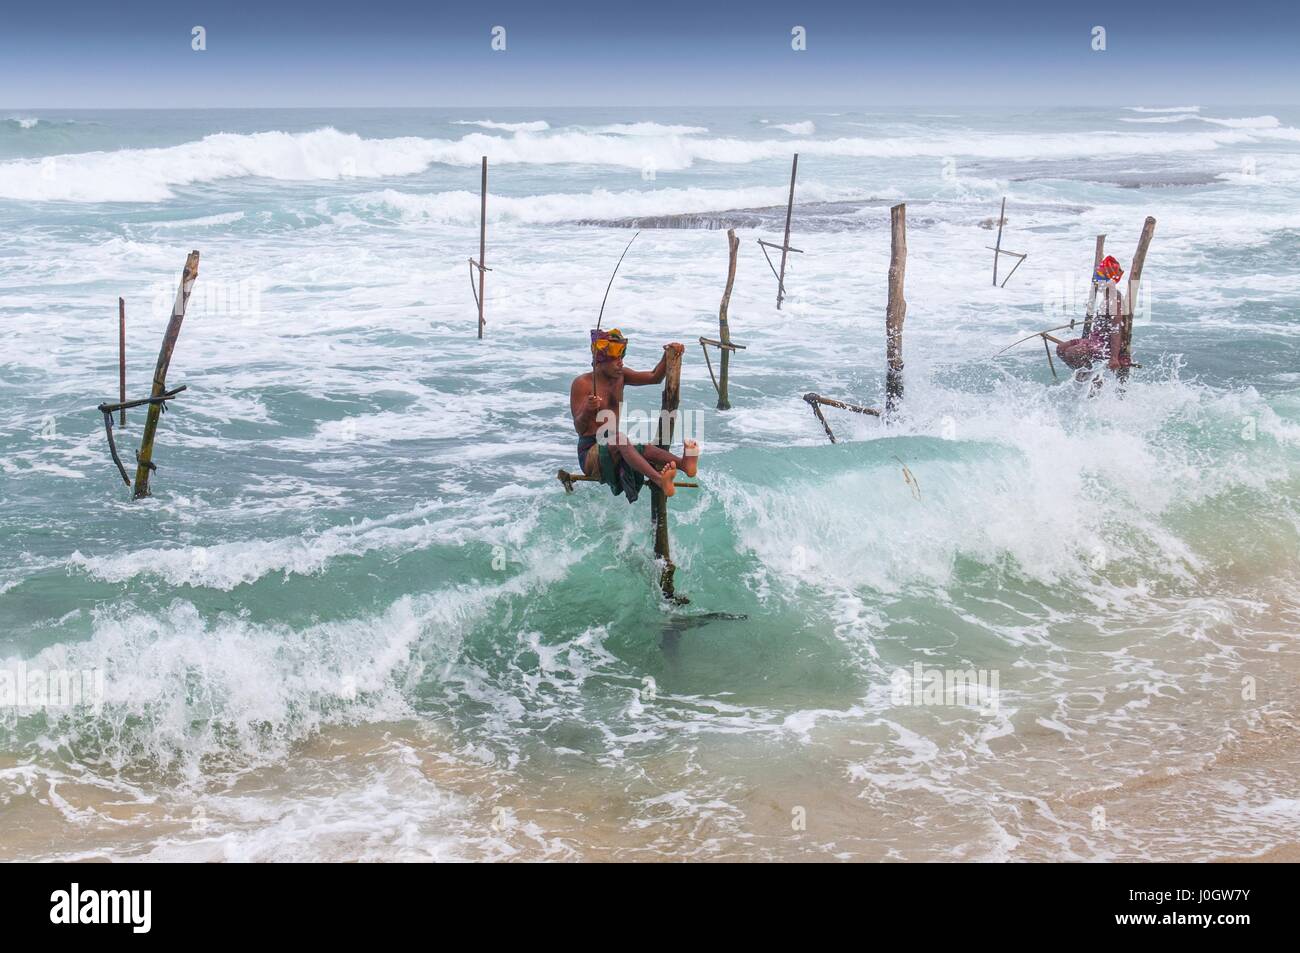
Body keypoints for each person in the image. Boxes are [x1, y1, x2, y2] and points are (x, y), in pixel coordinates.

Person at [569, 329, 699, 503]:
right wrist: (587, 408)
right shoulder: (582, 384)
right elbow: (579, 428)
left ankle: (684, 464)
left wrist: (668, 354)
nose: (620, 364)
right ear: (599, 361)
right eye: (615, 360)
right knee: (622, 440)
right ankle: (659, 480)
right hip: (590, 454)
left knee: (642, 448)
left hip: (614, 444)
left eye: (622, 358)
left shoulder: (620, 377)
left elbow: (654, 377)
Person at [1056, 255, 1133, 373]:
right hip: (1094, 340)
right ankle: (1085, 372)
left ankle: (1092, 377)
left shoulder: (1115, 298)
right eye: (1097, 277)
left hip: (1105, 345)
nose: (1097, 281)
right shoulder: (1106, 296)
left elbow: (1116, 330)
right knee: (1061, 349)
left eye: (1101, 278)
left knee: (1073, 352)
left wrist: (1113, 357)